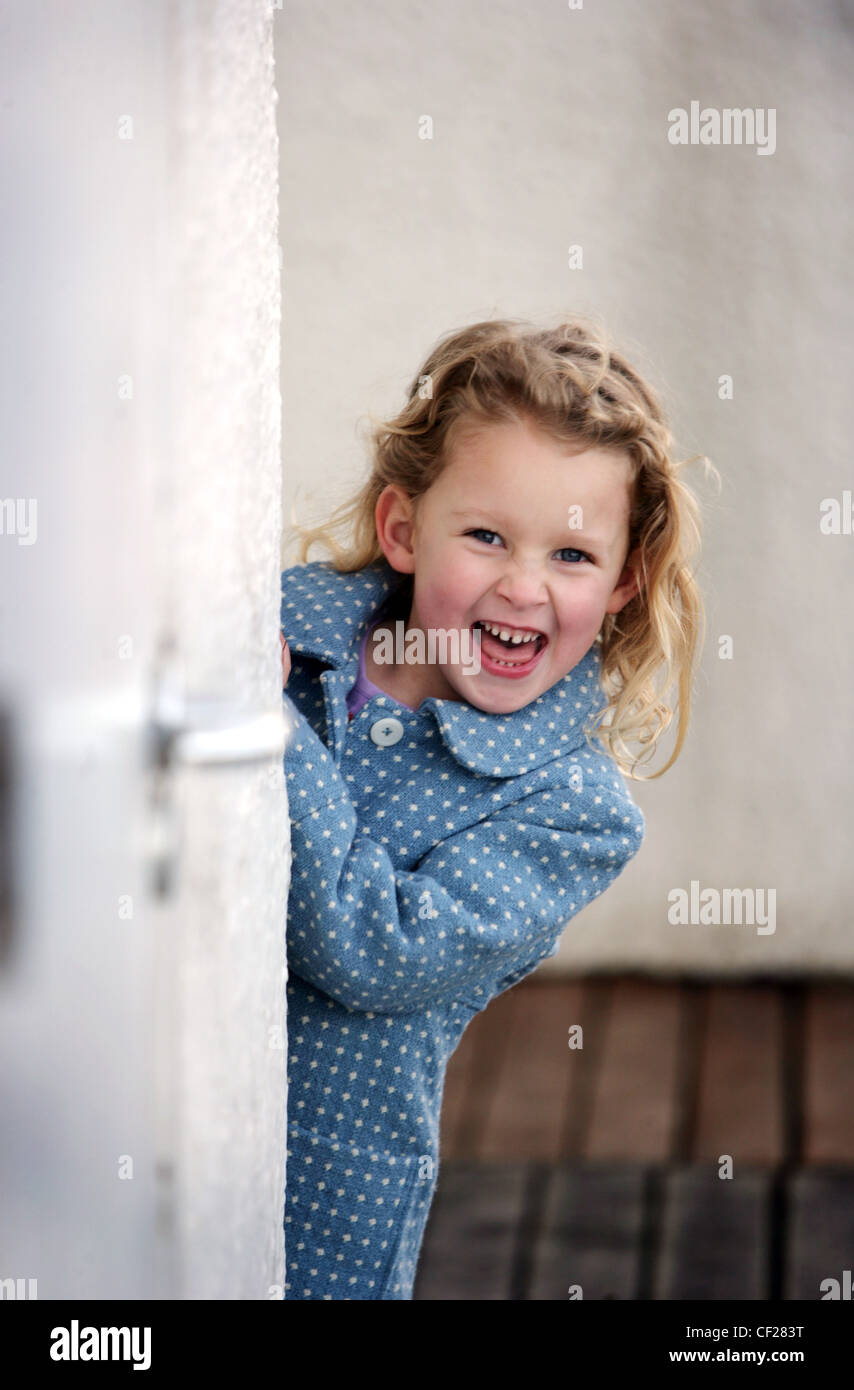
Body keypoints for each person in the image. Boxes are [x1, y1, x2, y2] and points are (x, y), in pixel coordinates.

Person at [278, 316, 710, 1299]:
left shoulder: (572, 809)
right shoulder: (280, 630)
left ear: (620, 582)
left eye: (569, 554)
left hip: (318, 1193)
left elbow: (375, 949)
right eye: (484, 536)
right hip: (130, 1111)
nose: (522, 584)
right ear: (401, 528)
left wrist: (264, 729)